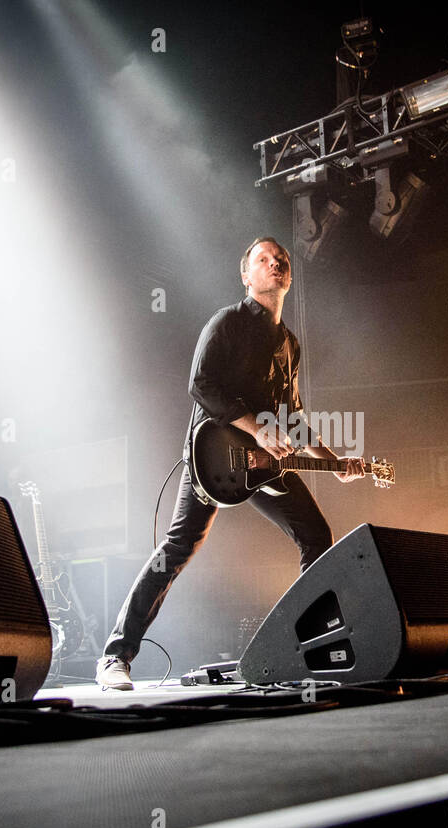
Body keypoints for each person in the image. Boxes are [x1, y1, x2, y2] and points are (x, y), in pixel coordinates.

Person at [96, 237, 366, 689]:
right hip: (213, 457)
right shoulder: (226, 323)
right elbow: (200, 385)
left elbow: (293, 417)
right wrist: (256, 428)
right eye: (263, 259)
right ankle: (114, 657)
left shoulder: (289, 345)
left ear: (289, 275)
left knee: (317, 534)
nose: (275, 263)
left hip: (264, 467)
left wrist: (334, 460)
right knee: (178, 548)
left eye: (280, 260)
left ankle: (310, 646)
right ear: (246, 276)